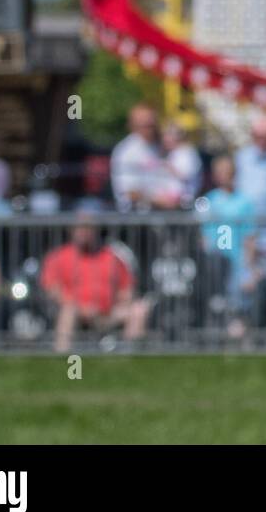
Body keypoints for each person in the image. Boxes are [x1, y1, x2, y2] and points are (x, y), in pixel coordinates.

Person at [40, 211, 149, 353]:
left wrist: (124, 300)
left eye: (88, 228)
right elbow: (52, 289)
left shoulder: (111, 257)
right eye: (81, 228)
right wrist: (82, 308)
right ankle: (64, 358)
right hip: (77, 312)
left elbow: (126, 288)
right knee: (68, 311)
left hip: (108, 313)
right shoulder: (59, 257)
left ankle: (133, 358)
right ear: (72, 230)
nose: (84, 232)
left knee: (139, 309)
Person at [195, 155, 256, 323]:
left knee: (237, 307)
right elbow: (202, 235)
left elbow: (249, 238)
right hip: (212, 264)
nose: (223, 176)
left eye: (227, 172)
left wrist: (248, 269)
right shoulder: (206, 201)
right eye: (219, 172)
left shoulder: (244, 202)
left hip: (236, 261)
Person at [110, 104, 182, 211]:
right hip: (137, 217)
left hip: (166, 214)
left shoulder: (164, 146)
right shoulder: (125, 151)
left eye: (151, 124)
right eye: (144, 125)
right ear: (132, 125)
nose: (149, 128)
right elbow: (128, 192)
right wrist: (158, 200)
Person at [162, 121, 203, 206]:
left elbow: (186, 174)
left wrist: (168, 167)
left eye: (167, 135)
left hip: (184, 200)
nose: (164, 139)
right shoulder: (174, 153)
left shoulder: (188, 153)